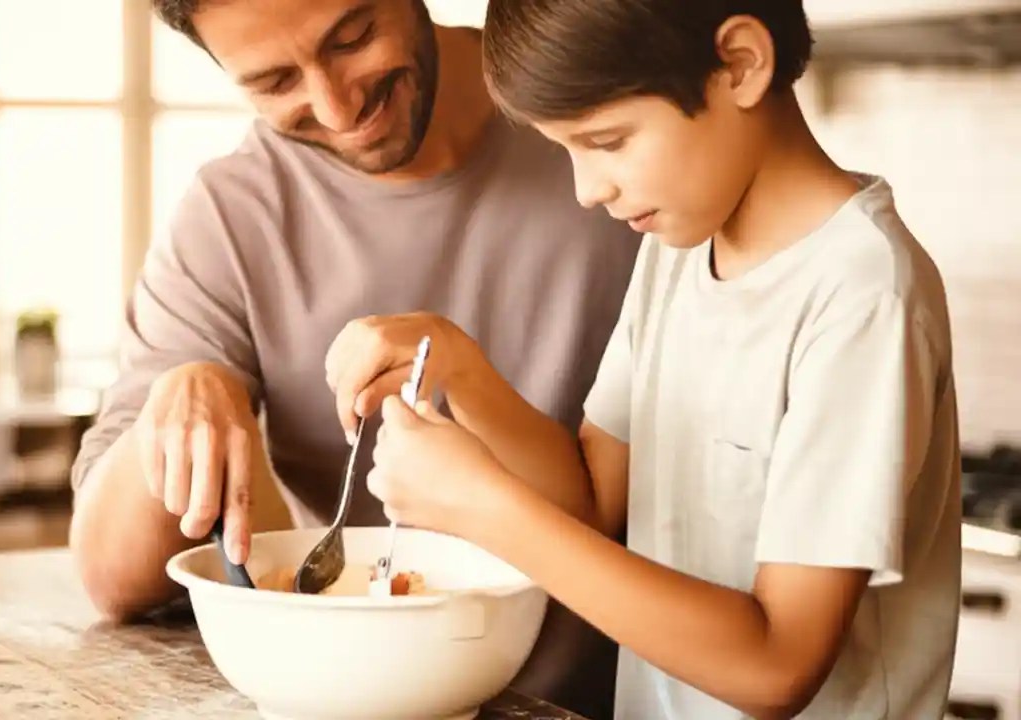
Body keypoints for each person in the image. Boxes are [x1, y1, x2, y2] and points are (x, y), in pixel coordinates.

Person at [364, 1, 963, 718]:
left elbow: (778, 666)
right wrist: (460, 370)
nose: (588, 190)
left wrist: (485, 509)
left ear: (740, 64)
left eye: (608, 141)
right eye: (568, 151)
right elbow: (591, 500)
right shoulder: (679, 251)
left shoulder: (862, 294)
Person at [67, 0, 640, 715]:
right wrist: (184, 392)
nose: (338, 110)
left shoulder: (610, 128)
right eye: (275, 82)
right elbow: (111, 578)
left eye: (354, 37)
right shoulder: (233, 215)